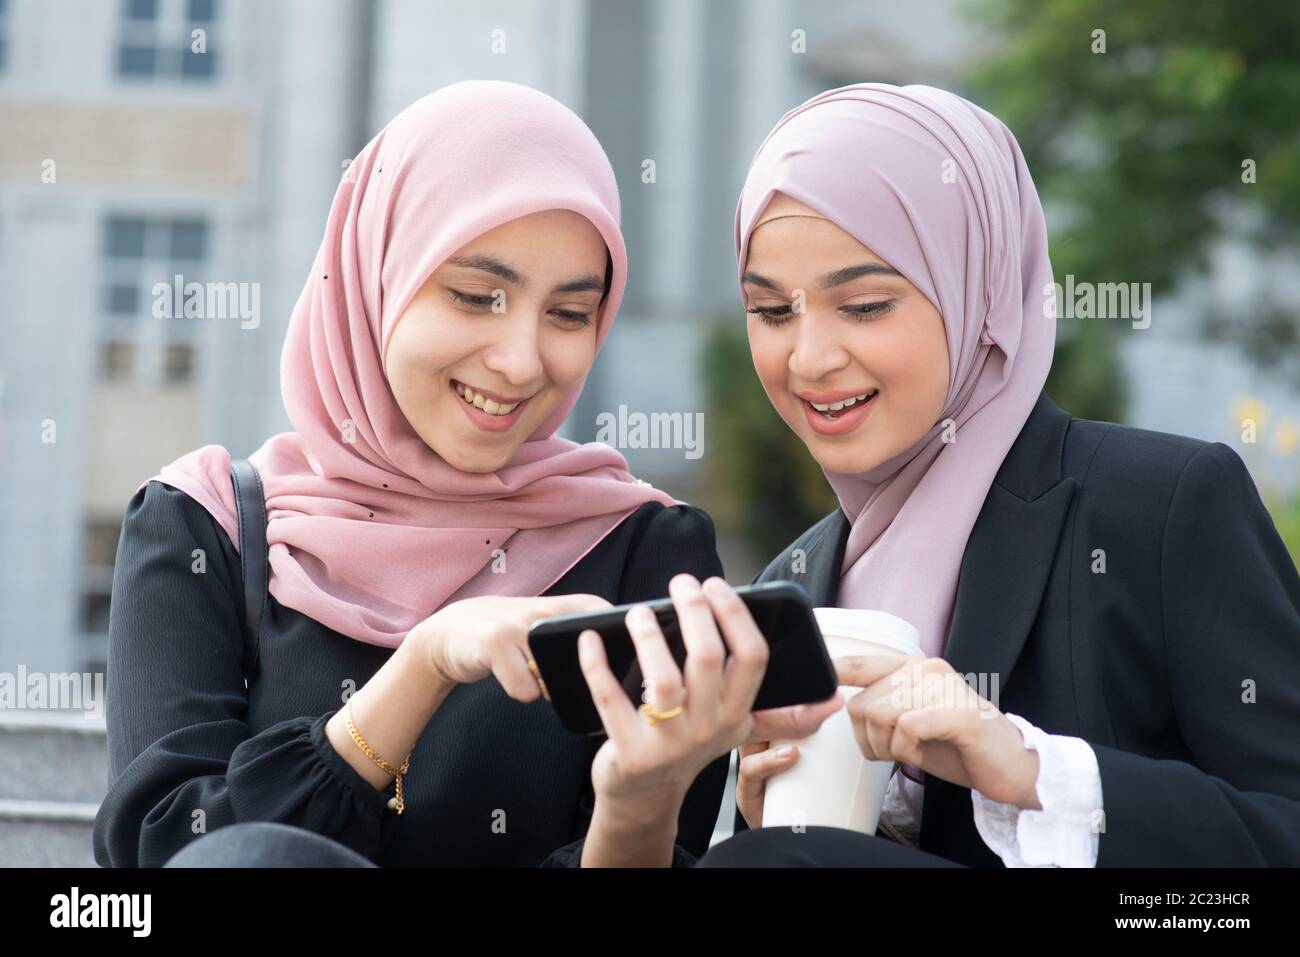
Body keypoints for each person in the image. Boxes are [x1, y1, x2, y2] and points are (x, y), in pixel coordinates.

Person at [93, 80, 835, 869]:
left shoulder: (645, 545)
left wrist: (637, 801)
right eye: (476, 296)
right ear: (378, 276)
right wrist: (424, 665)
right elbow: (163, 850)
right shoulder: (207, 524)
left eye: (568, 313)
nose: (519, 360)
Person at [697, 82, 1300, 868]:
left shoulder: (1162, 506)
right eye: (773, 312)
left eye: (866, 305)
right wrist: (768, 821)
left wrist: (1033, 771)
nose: (808, 358)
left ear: (976, 292)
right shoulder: (798, 580)